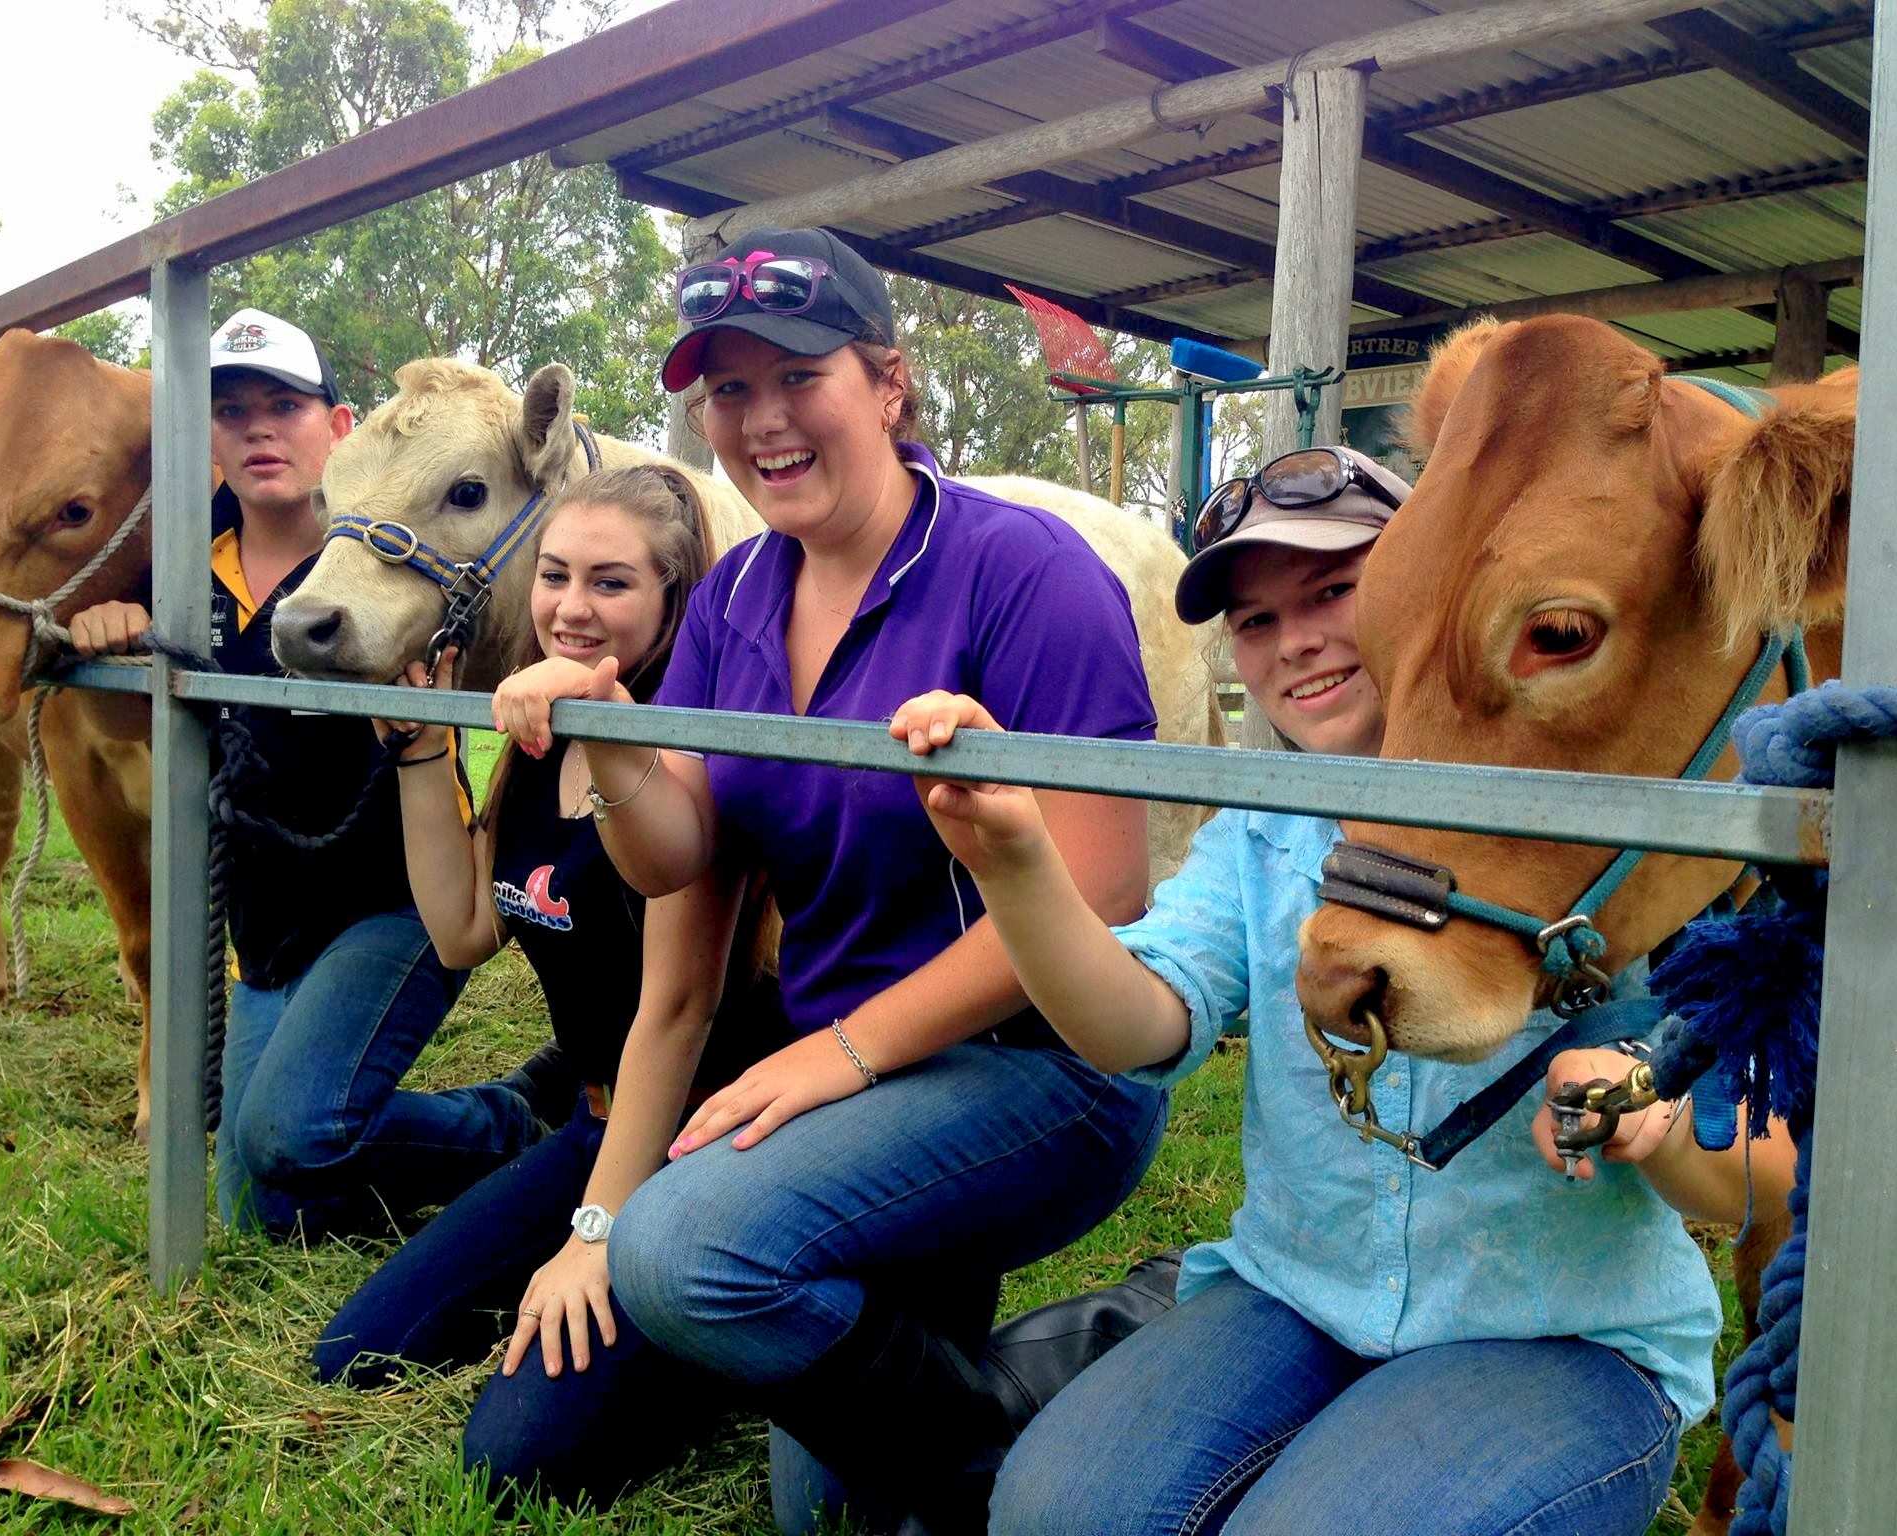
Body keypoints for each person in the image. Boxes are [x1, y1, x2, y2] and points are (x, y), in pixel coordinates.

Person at [894, 443, 1795, 1536]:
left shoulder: (1607, 814)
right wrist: (1014, 861)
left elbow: (1762, 1180)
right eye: (1256, 620)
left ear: (1429, 590)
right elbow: (1132, 1027)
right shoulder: (1264, 831)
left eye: (1332, 590)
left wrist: (1655, 1124)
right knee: (1047, 1514)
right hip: (1295, 1295)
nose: (1295, 641)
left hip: (1551, 1334)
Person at [504, 227, 1168, 1533]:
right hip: (850, 1080)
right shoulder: (739, 591)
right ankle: (1094, 1359)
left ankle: (1012, 1434)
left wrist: (846, 1054)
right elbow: (676, 852)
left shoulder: (1027, 575)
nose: (763, 419)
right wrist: (609, 737)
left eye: (798, 375)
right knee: (830, 1510)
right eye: (729, 391)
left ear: (889, 384)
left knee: (684, 1253)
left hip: (1046, 1071)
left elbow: (1105, 895)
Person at [312, 464, 799, 1506]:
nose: (572, 609)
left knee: (517, 1461)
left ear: (671, 602)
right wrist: (420, 751)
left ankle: (719, 1317)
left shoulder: (680, 754)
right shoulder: (536, 738)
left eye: (612, 584)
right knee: (358, 1352)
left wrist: (595, 1236)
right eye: (556, 577)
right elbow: (463, 928)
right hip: (595, 1126)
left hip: (710, 1142)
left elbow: (677, 1010)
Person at [68, 308, 537, 1235]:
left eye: (285, 403)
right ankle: (379, 1149)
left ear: (342, 425)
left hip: (393, 900)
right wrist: (107, 647)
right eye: (231, 409)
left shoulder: (410, 555)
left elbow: (492, 694)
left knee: (291, 1133)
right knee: (264, 1210)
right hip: (265, 919)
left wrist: (451, 768)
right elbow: (145, 728)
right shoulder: (176, 562)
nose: (257, 428)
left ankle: (511, 1125)